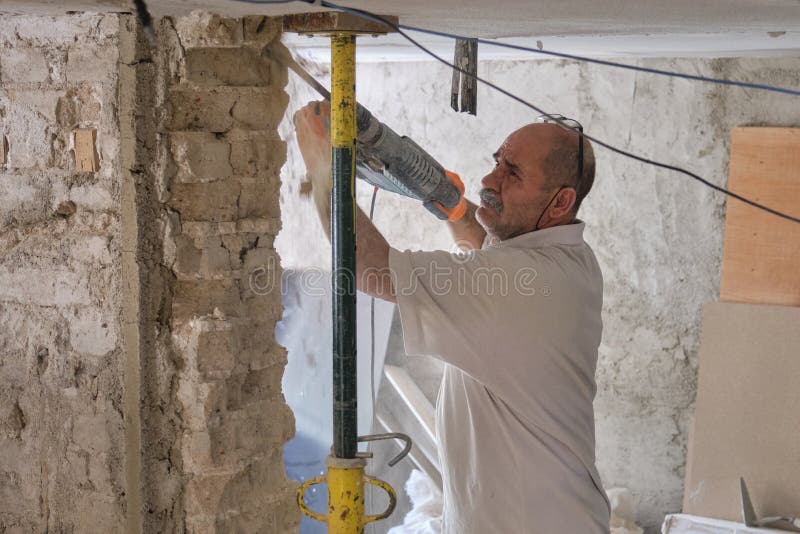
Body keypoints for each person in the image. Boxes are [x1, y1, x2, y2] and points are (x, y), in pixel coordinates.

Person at [295, 101, 610, 534]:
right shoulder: (566, 258)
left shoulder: (526, 283)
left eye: (512, 173)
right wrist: (456, 210)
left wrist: (322, 166)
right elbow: (485, 255)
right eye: (498, 161)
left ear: (561, 202)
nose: (489, 179)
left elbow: (368, 268)